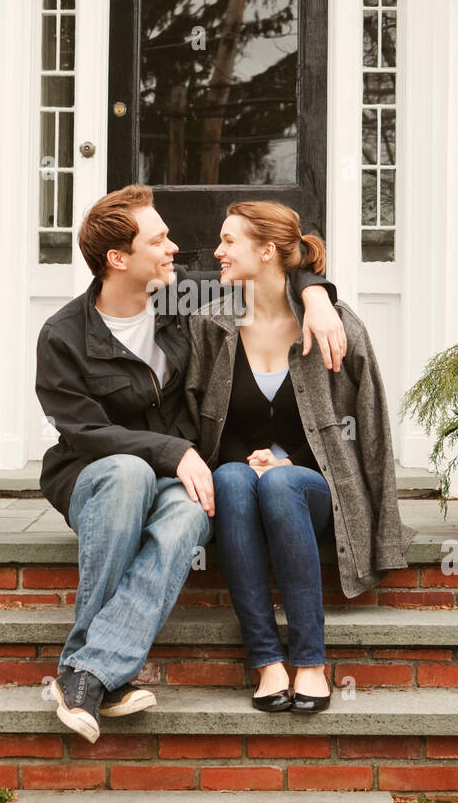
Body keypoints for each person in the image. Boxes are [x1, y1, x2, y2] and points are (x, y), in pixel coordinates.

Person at [35, 184, 347, 743]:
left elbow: (274, 269)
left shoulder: (178, 308)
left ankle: (88, 672)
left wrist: (318, 295)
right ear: (118, 258)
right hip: (95, 476)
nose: (175, 248)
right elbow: (85, 432)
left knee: (187, 514)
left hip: (176, 478)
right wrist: (175, 452)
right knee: (130, 472)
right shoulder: (63, 336)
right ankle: (97, 665)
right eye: (159, 239)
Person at [184, 201, 417, 713]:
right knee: (233, 478)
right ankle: (267, 661)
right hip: (241, 490)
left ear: (267, 251)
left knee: (282, 483)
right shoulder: (209, 326)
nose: (217, 251)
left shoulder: (335, 325)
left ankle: (310, 661)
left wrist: (384, 528)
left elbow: (373, 426)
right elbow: (198, 422)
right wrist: (245, 461)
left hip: (313, 494)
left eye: (229, 241)